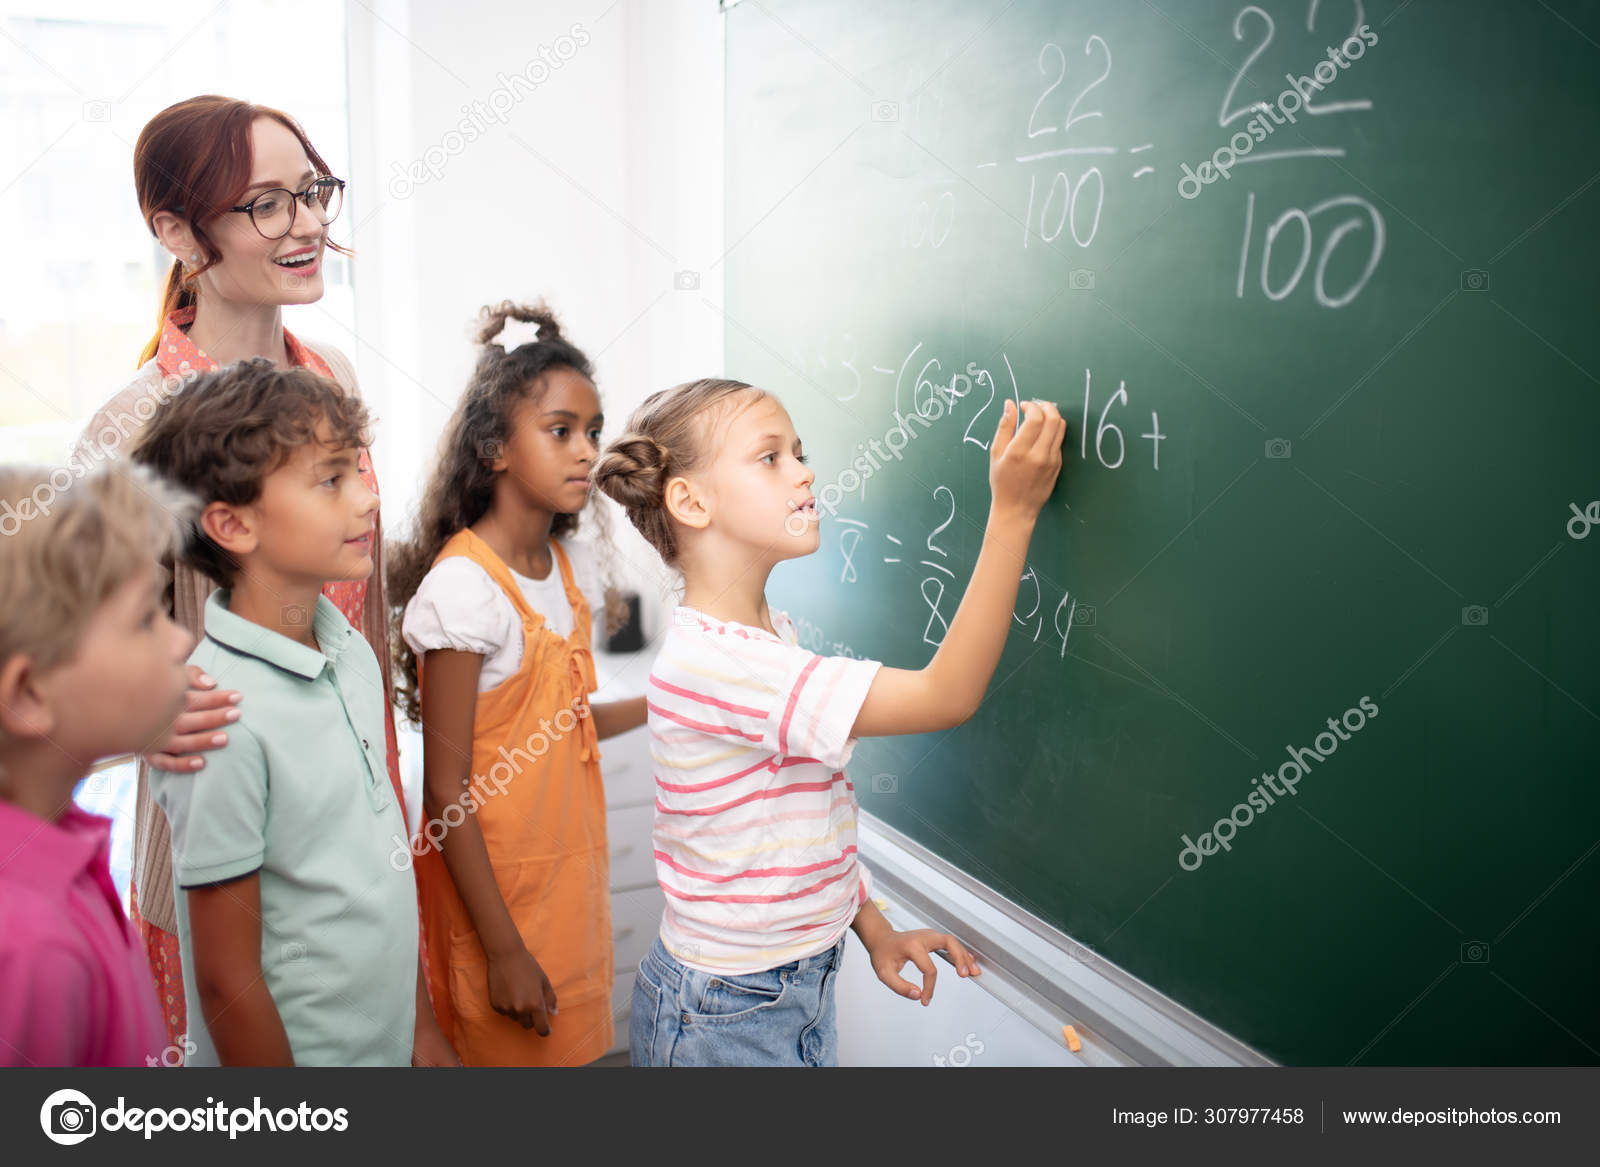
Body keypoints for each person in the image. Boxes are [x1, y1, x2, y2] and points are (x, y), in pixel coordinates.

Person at [593, 378, 1065, 1066]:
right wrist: (1014, 513)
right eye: (771, 457)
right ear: (690, 501)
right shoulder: (722, 662)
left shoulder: (768, 637)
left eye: (800, 452)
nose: (805, 470)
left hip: (779, 990)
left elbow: (804, 827)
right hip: (724, 1014)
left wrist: (872, 927)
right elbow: (948, 694)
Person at [76, 95, 412, 1056]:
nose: (308, 223)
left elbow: (362, 606)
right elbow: (56, 670)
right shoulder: (130, 430)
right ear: (177, 231)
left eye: (311, 192)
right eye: (267, 203)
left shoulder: (333, 376)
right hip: (225, 840)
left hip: (359, 826)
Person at [130, 359, 454, 1066]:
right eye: (332, 479)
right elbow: (225, 979)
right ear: (233, 524)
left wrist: (421, 1028)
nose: (369, 499)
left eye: (360, 473)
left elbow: (384, 878)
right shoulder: (216, 716)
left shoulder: (353, 655)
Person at [391, 301, 645, 1065]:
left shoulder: (560, 569)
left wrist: (666, 703)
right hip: (499, 911)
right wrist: (503, 950)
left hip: (566, 901)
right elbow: (446, 789)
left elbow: (561, 724)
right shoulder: (465, 589)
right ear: (495, 447)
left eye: (594, 432)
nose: (586, 452)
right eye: (560, 430)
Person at [0, 463, 193, 1066]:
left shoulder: (68, 850)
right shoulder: (32, 948)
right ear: (29, 694)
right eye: (144, 619)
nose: (181, 641)